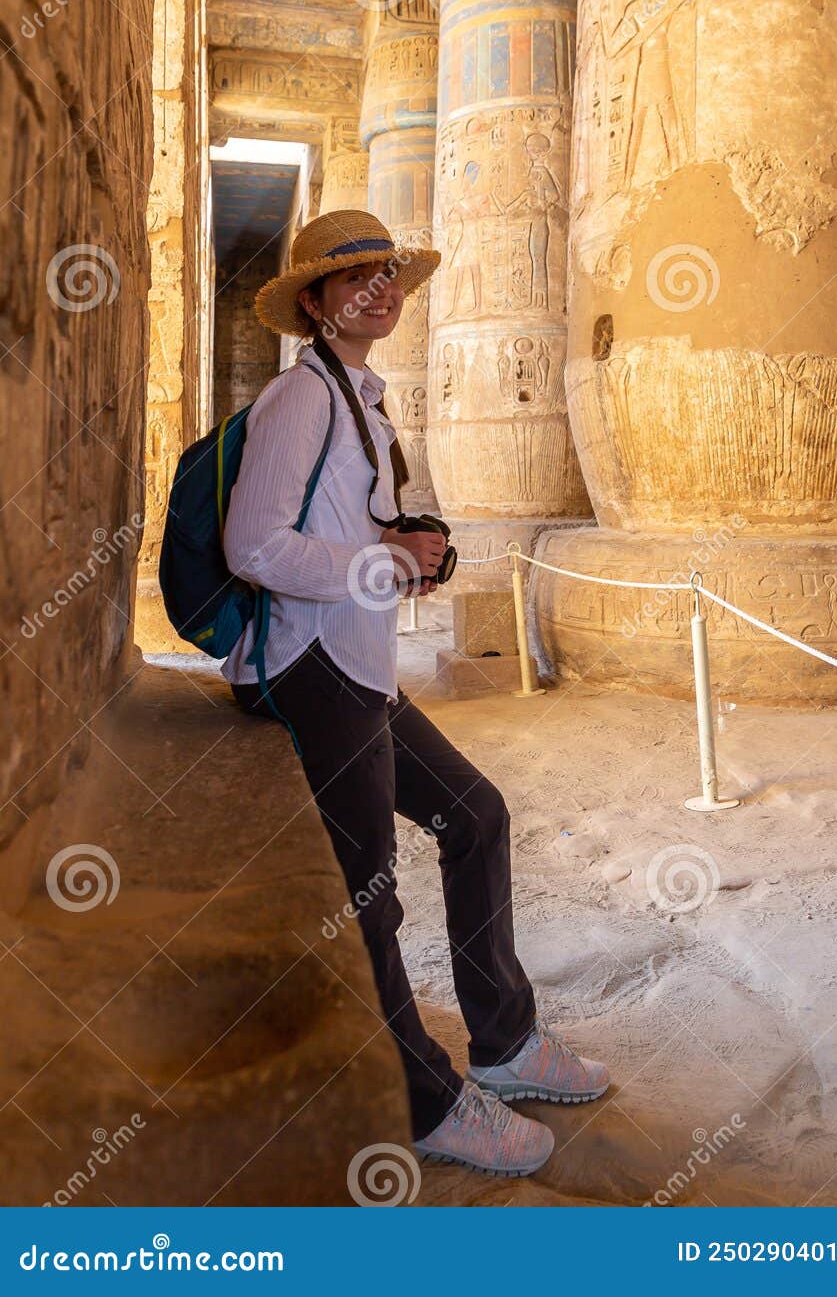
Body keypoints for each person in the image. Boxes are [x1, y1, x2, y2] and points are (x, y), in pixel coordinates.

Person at [221, 209, 608, 1177]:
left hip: (352, 658)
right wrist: (376, 560)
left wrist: (412, 549)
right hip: (307, 665)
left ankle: (506, 1043)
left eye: (387, 272)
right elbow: (254, 547)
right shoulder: (297, 401)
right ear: (313, 301)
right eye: (353, 276)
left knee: (474, 815)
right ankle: (424, 1099)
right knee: (368, 892)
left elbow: (358, 528)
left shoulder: (361, 395)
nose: (378, 288)